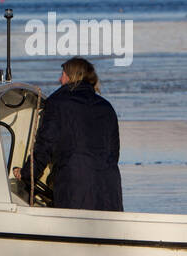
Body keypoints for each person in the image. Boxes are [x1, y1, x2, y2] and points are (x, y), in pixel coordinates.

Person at [14, 57, 123, 211]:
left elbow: (44, 145)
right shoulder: (106, 107)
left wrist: (27, 173)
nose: (60, 79)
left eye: (63, 74)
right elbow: (114, 153)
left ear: (72, 76)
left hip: (74, 188)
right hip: (109, 189)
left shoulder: (57, 103)